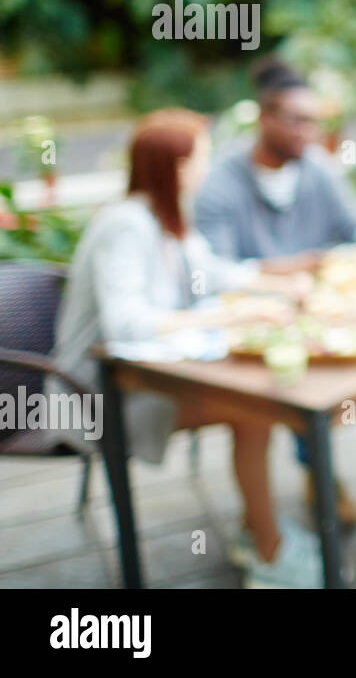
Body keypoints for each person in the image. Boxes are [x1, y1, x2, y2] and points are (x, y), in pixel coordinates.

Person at [49, 109, 323, 588]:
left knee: (259, 405)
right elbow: (126, 324)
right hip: (96, 396)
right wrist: (231, 314)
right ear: (175, 165)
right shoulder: (127, 225)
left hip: (144, 378)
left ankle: (258, 532)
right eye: (201, 157)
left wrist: (278, 285)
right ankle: (268, 549)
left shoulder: (167, 217)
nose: (208, 168)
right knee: (256, 409)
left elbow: (214, 273)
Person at [194, 59, 356, 522]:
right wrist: (287, 272)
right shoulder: (221, 182)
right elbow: (215, 271)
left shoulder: (317, 168)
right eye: (296, 120)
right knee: (296, 371)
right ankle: (321, 474)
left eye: (314, 121)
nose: (307, 132)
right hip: (266, 313)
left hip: (334, 301)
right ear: (264, 118)